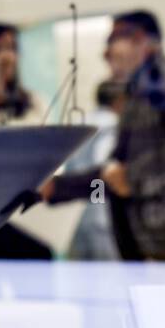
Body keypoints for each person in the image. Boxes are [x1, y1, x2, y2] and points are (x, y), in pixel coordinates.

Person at [41, 10, 165, 275]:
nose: (106, 54)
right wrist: (56, 188)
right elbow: (114, 175)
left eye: (113, 40)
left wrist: (131, 174)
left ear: (140, 40)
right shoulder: (139, 94)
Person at [64, 80, 125, 262]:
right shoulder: (112, 125)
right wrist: (98, 201)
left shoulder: (82, 123)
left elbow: (70, 168)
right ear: (119, 101)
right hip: (102, 215)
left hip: (80, 213)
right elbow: (102, 168)